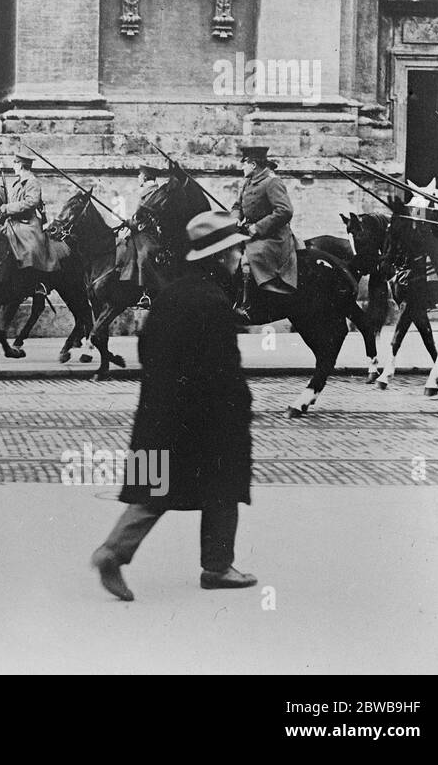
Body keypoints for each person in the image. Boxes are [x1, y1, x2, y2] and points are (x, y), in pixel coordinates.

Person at [91, 209, 256, 601]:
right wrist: (239, 407)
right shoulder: (215, 302)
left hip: (157, 412)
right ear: (220, 257)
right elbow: (224, 370)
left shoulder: (170, 293)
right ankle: (217, 567)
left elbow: (145, 349)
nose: (241, 259)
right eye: (236, 252)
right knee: (223, 483)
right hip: (205, 419)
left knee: (153, 490)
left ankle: (112, 550)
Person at [232, 144, 297, 316]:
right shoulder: (247, 183)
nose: (242, 167)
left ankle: (246, 305)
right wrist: (234, 220)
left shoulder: (272, 182)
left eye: (244, 163)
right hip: (249, 231)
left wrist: (257, 228)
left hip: (273, 236)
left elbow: (285, 211)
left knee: (248, 258)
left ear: (253, 164)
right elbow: (237, 206)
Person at [0, 154, 64, 272]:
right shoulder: (17, 183)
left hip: (27, 224)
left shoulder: (32, 182)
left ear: (20, 165)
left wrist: (8, 208)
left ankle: (35, 279)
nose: (13, 167)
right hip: (12, 222)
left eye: (15, 164)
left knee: (29, 251)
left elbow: (31, 203)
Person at [114, 164, 170, 297]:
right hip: (141, 233)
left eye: (139, 175)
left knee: (143, 256)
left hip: (151, 235)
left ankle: (146, 292)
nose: (138, 177)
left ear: (145, 177)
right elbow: (138, 217)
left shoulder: (155, 194)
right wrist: (129, 221)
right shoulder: (147, 192)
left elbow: (145, 218)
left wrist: (132, 222)